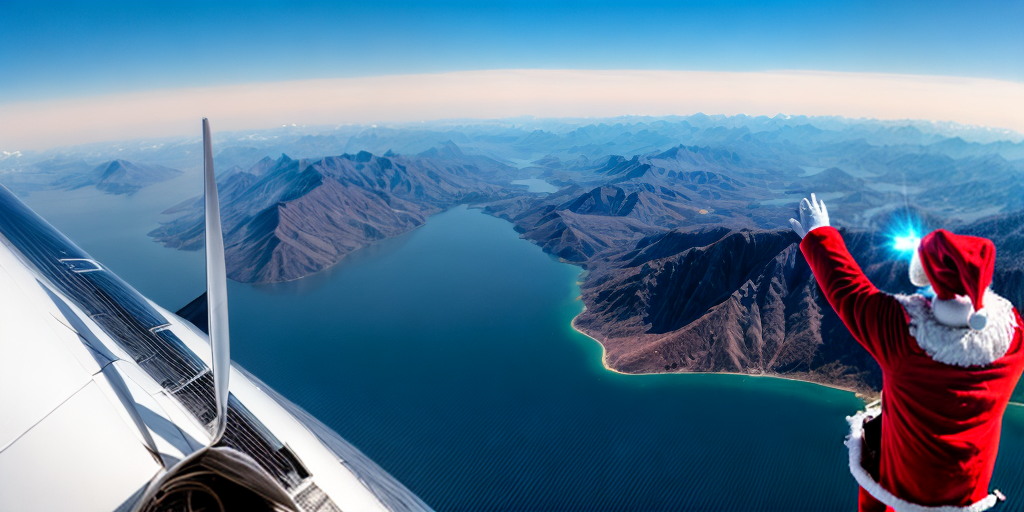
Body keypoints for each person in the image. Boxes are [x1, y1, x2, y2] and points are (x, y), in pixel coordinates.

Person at [789, 194, 1024, 512]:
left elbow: (849, 289)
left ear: (928, 278)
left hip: (902, 493)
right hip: (966, 494)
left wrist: (819, 235)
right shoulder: (1013, 339)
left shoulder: (903, 333)